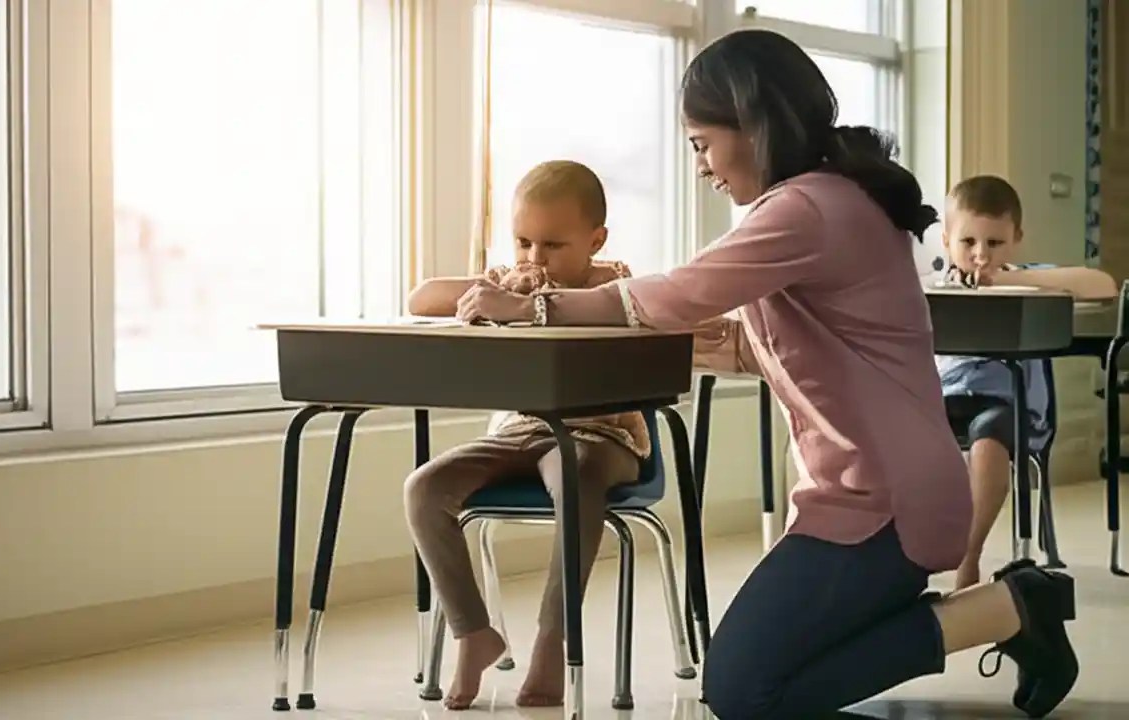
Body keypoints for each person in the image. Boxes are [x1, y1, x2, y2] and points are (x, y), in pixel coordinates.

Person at [456, 29, 1079, 719]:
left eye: (701, 143)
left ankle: (1010, 608)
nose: (700, 167)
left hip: (886, 506)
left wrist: (533, 306)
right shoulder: (824, 201)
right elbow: (762, 348)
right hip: (869, 496)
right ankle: (1011, 607)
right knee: (759, 683)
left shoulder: (808, 207)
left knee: (744, 691)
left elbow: (681, 293)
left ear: (751, 124)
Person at [405, 160, 644, 710]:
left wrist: (530, 304)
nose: (536, 259)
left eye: (553, 246)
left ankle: (552, 644)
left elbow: (614, 311)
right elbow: (421, 299)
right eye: (523, 242)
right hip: (522, 432)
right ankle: (473, 633)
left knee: (576, 471)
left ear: (595, 240)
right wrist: (486, 291)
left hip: (603, 438)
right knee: (424, 488)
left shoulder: (614, 283)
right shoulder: (513, 278)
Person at [935, 175, 1116, 590]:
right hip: (944, 400)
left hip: (1008, 408)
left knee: (990, 436)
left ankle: (970, 552)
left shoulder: (1031, 278)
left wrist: (1008, 281)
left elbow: (1102, 285)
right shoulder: (938, 285)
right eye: (968, 243)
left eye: (995, 243)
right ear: (947, 241)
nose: (981, 255)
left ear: (1016, 238)